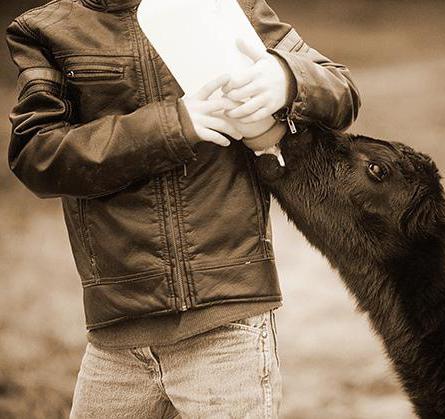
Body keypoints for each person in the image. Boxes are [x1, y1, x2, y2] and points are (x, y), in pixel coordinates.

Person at [5, 0, 361, 417]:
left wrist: (286, 77)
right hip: (116, 337)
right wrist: (177, 126)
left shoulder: (221, 5)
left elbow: (341, 90)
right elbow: (37, 156)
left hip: (227, 324)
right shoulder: (45, 30)